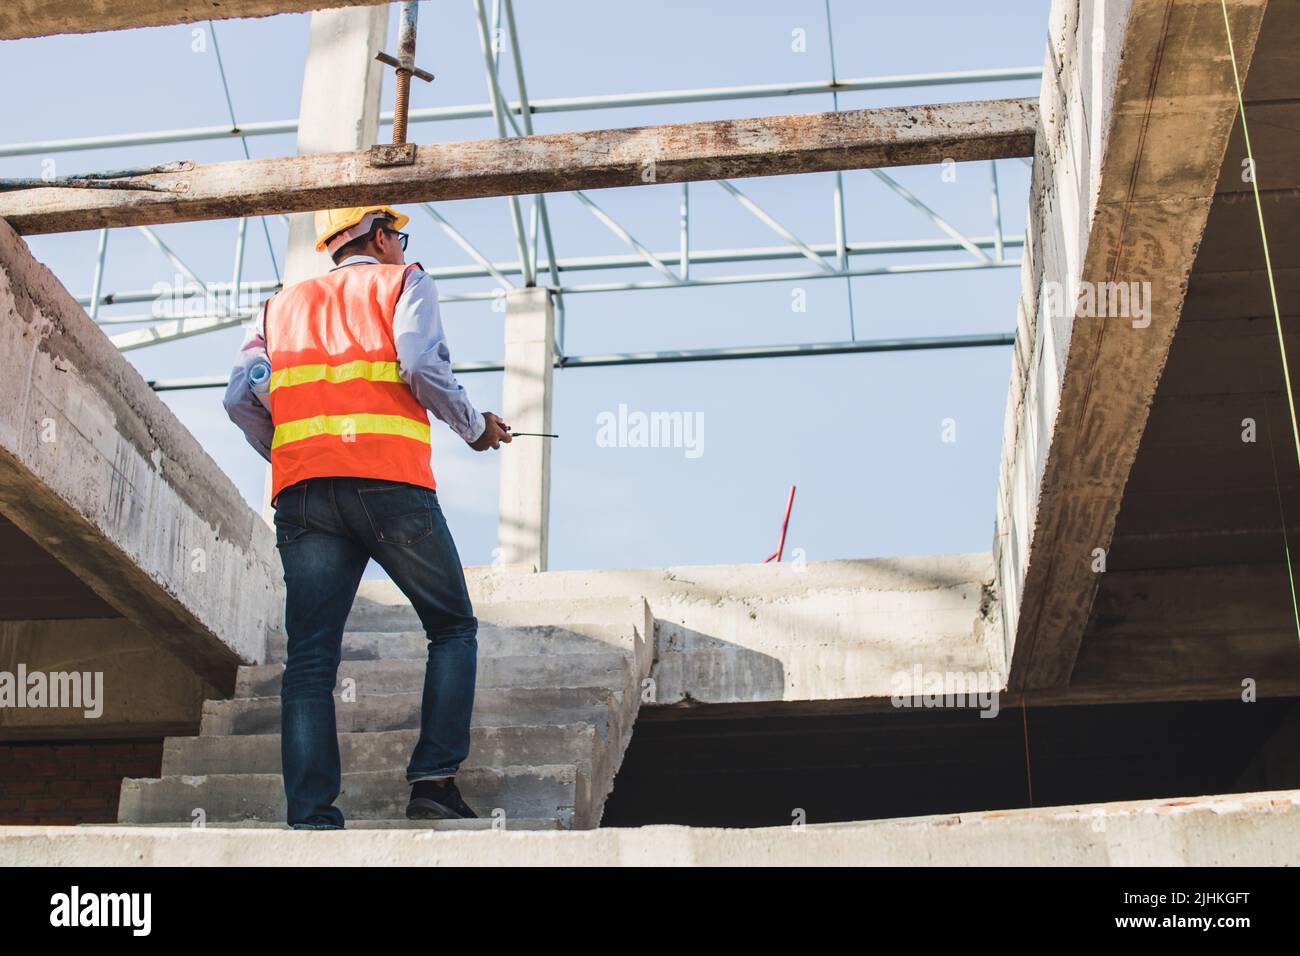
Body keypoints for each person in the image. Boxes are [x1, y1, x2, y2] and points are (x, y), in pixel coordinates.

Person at [223, 204, 512, 829]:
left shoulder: (278, 306)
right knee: (453, 627)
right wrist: (474, 427)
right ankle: (433, 782)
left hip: (303, 491)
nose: (402, 246)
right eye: (398, 236)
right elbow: (417, 361)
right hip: (389, 482)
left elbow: (240, 392)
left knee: (310, 660)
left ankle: (312, 817)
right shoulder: (404, 280)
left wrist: (292, 451)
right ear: (380, 237)